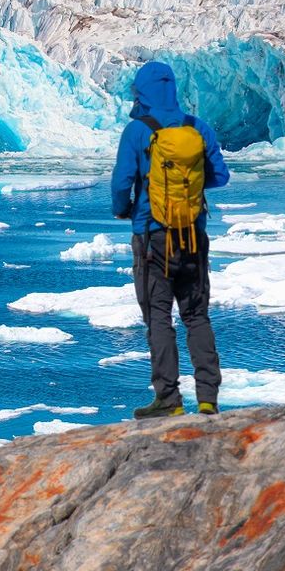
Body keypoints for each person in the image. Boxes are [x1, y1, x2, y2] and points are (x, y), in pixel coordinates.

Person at [111, 61, 230, 419]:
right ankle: (207, 399)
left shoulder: (137, 131)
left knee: (159, 317)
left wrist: (126, 208)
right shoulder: (198, 127)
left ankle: (168, 399)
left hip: (151, 237)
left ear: (141, 92)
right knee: (196, 315)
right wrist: (188, 185)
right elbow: (220, 176)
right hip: (193, 235)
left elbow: (121, 183)